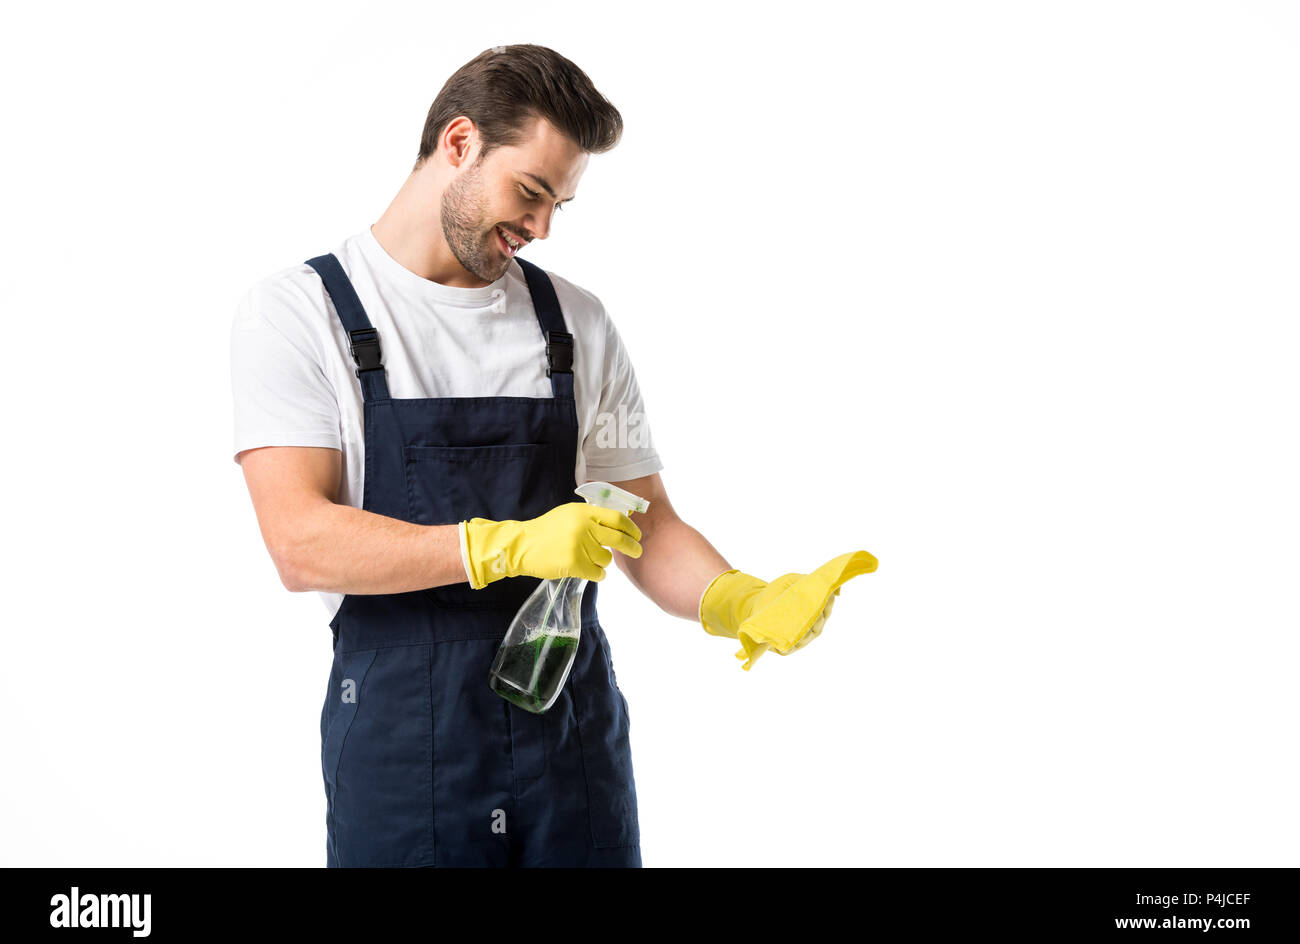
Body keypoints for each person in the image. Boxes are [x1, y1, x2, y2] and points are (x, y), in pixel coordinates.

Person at [230, 43, 875, 868]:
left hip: (569, 746)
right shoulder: (300, 312)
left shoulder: (572, 323)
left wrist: (737, 598)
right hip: (404, 757)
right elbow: (300, 542)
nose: (536, 227)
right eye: (530, 192)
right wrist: (501, 544)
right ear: (458, 143)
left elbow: (651, 523)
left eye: (556, 207)